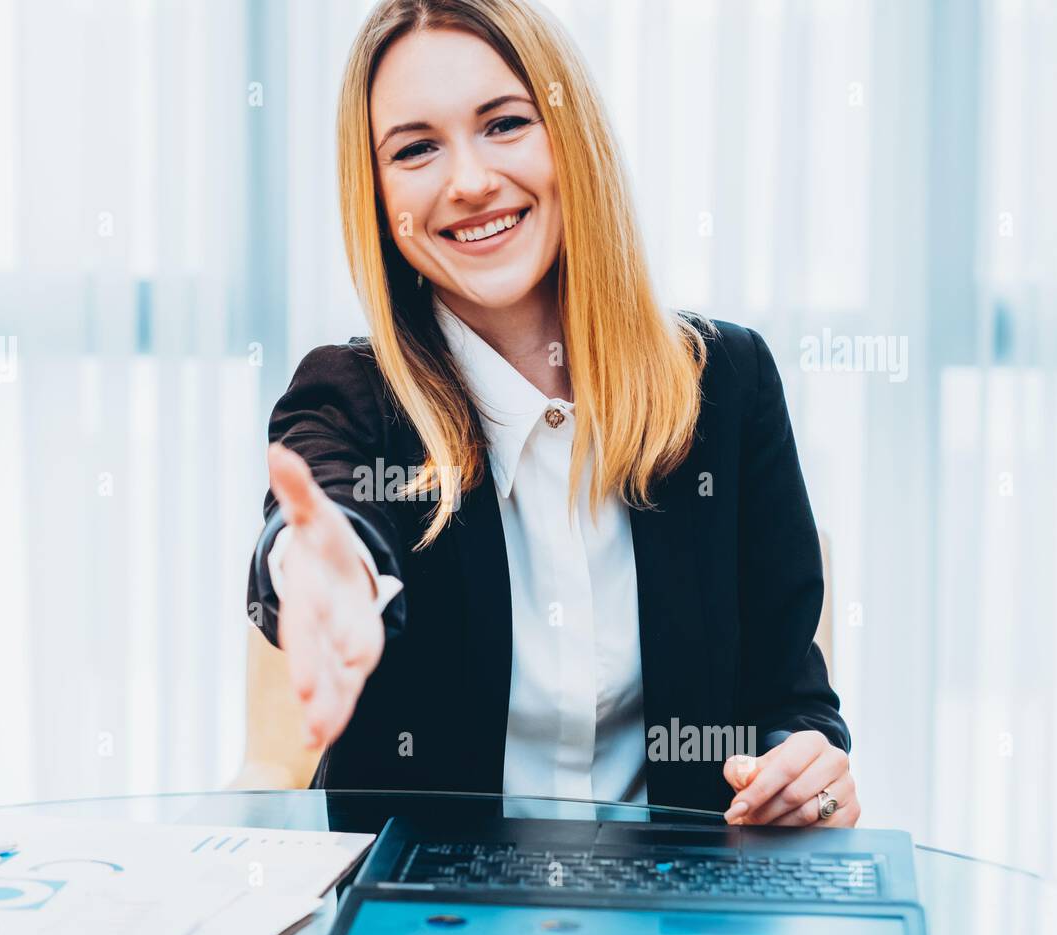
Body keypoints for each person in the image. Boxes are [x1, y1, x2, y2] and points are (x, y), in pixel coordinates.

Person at [246, 0, 857, 828]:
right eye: (416, 148)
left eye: (503, 124)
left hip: (680, 929)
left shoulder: (728, 386)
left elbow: (791, 696)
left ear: (571, 139)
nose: (467, 181)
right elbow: (315, 517)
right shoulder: (351, 395)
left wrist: (807, 764)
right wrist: (322, 572)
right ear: (379, 194)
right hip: (430, 931)